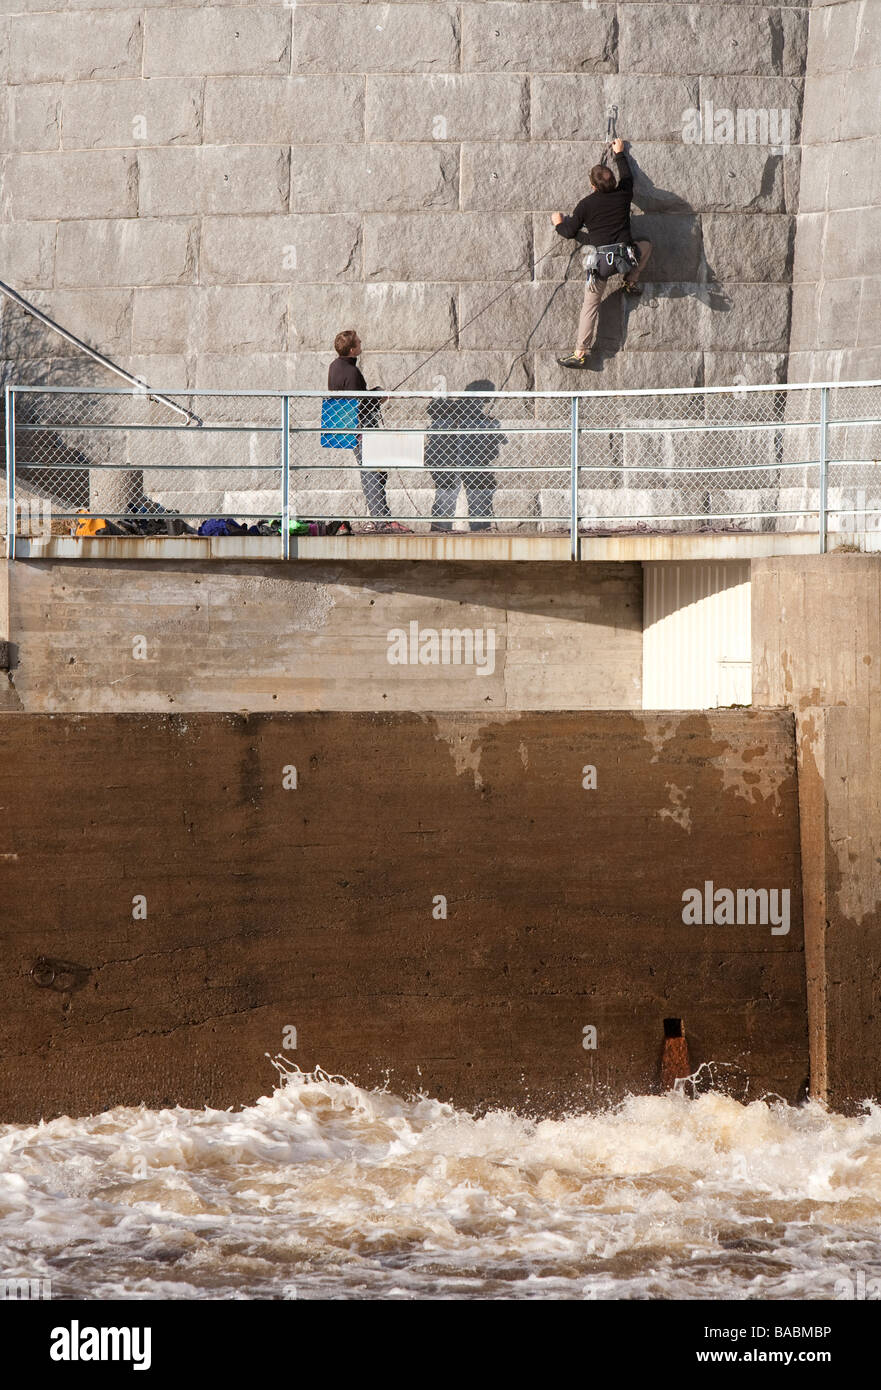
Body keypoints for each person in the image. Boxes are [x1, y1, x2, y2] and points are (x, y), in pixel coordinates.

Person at [551, 138, 652, 369]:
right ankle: (631, 282)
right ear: (614, 183)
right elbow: (628, 177)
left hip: (600, 265)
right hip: (626, 258)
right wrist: (619, 153)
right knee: (646, 246)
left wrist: (558, 223)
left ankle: (580, 353)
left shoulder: (586, 204)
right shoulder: (624, 194)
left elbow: (569, 231)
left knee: (590, 305)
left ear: (593, 186)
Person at [326, 329, 405, 531]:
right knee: (374, 471)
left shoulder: (335, 366)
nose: (361, 344)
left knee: (371, 470)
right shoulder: (351, 372)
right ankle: (382, 520)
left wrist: (374, 394)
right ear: (352, 349)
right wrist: (378, 396)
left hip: (349, 428)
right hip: (361, 428)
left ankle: (378, 517)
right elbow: (358, 404)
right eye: (359, 343)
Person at [427, 381, 506, 532]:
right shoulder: (457, 409)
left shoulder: (477, 416)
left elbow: (491, 449)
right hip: (450, 460)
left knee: (477, 492)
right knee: (448, 494)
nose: (483, 403)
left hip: (470, 461)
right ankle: (441, 530)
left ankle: (478, 528)